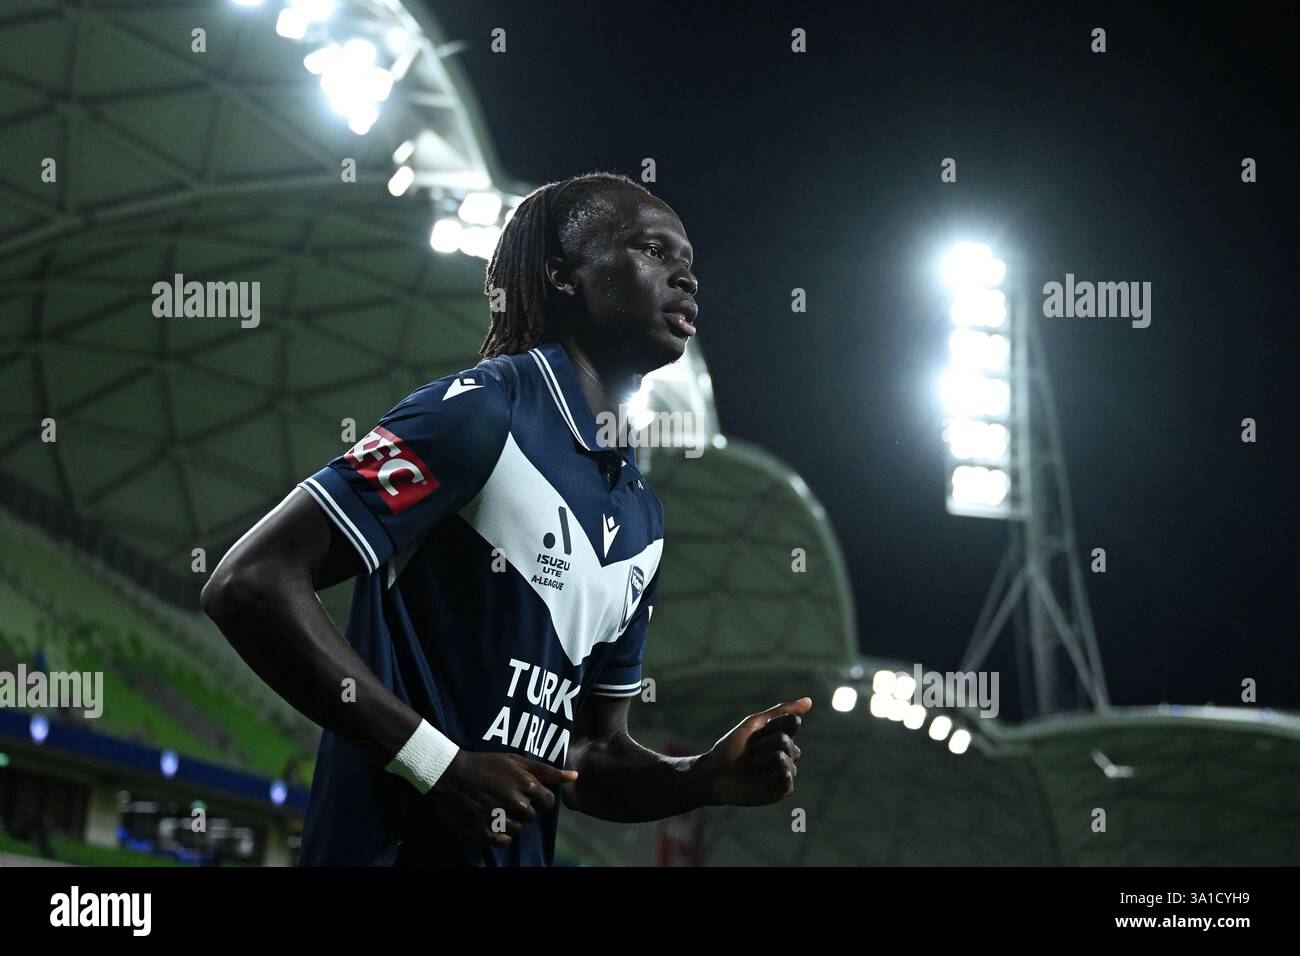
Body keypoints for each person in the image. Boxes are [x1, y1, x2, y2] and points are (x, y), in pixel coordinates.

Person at [201, 171, 810, 866]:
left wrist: (701, 777)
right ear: (562, 274)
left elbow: (589, 752)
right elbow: (251, 581)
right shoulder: (482, 411)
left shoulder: (642, 517)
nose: (685, 277)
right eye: (652, 250)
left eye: (689, 262)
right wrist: (436, 764)